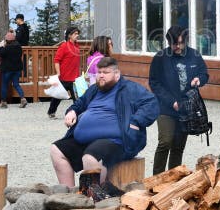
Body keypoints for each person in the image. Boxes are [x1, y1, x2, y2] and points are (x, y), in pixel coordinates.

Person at [50, 57, 159, 200]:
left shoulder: (130, 89)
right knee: (56, 150)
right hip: (86, 140)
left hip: (117, 140)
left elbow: (152, 103)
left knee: (90, 157)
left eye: (106, 72)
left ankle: (95, 198)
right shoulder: (94, 89)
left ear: (117, 74)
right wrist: (72, 111)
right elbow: (79, 103)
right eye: (99, 72)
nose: (101, 75)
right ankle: (69, 198)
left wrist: (136, 121)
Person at [149, 26, 210, 175]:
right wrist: (171, 102)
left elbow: (204, 73)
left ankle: (173, 178)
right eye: (175, 44)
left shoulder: (194, 55)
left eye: (181, 43)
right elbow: (154, 83)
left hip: (187, 108)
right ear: (169, 42)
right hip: (166, 107)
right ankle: (157, 177)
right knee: (165, 142)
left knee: (178, 146)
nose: (178, 47)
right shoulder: (160, 57)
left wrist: (199, 79)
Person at [47, 26, 81, 119]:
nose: (77, 35)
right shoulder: (64, 46)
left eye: (77, 34)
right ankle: (51, 112)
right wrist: (58, 73)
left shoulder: (77, 46)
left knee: (77, 98)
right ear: (69, 35)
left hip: (75, 78)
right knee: (58, 96)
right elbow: (57, 60)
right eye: (75, 34)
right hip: (64, 77)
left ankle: (78, 113)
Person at [0, 30, 27, 109]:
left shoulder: (6, 48)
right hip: (17, 69)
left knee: (4, 85)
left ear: (7, 40)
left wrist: (1, 46)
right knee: (16, 84)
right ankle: (23, 98)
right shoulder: (18, 46)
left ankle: (3, 102)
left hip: (7, 69)